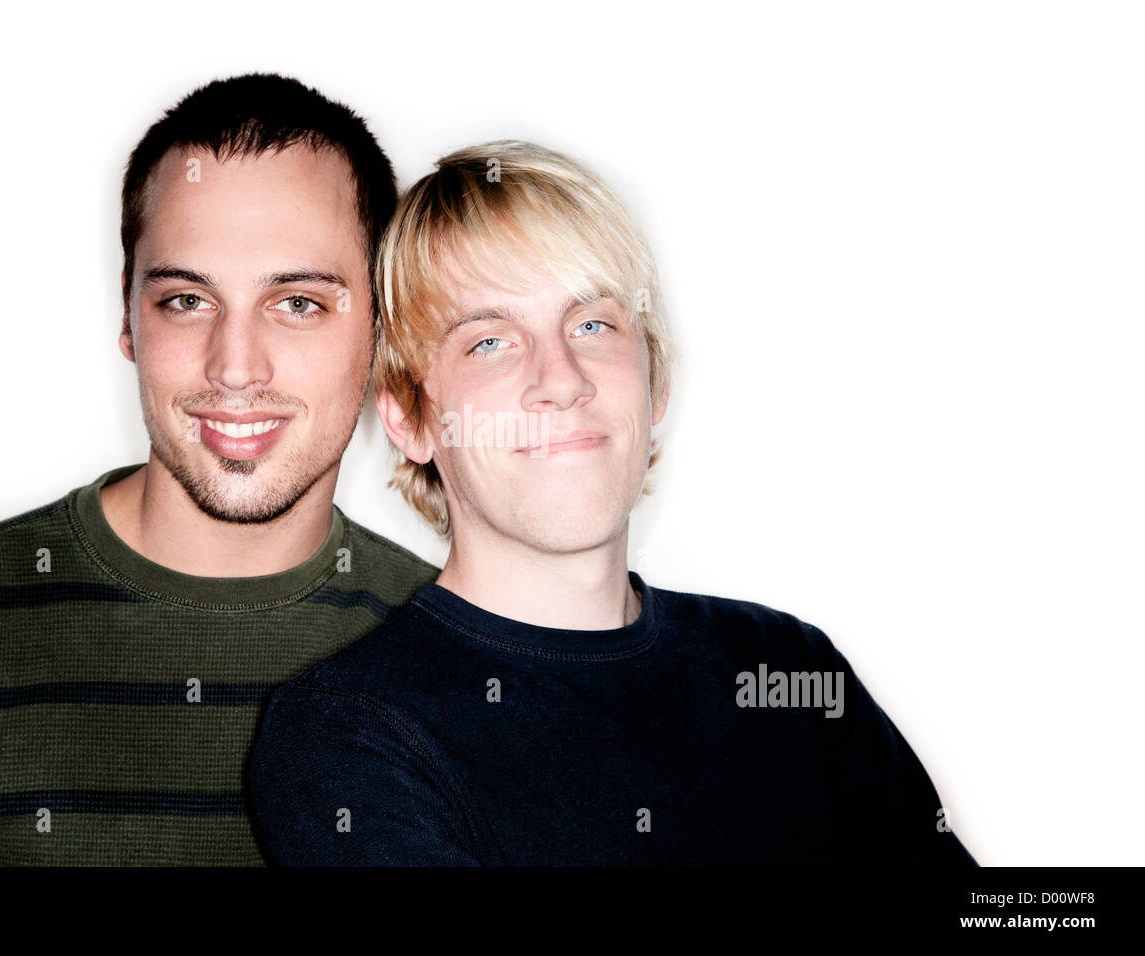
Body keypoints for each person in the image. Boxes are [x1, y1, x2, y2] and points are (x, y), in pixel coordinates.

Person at [249, 140, 977, 865]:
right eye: (490, 341)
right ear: (408, 420)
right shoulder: (351, 732)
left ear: (654, 381)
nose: (561, 380)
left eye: (592, 324)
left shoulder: (783, 667)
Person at [0, 74, 438, 865]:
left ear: (381, 332)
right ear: (127, 315)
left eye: (298, 302)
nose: (235, 368)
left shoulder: (456, 658)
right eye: (187, 300)